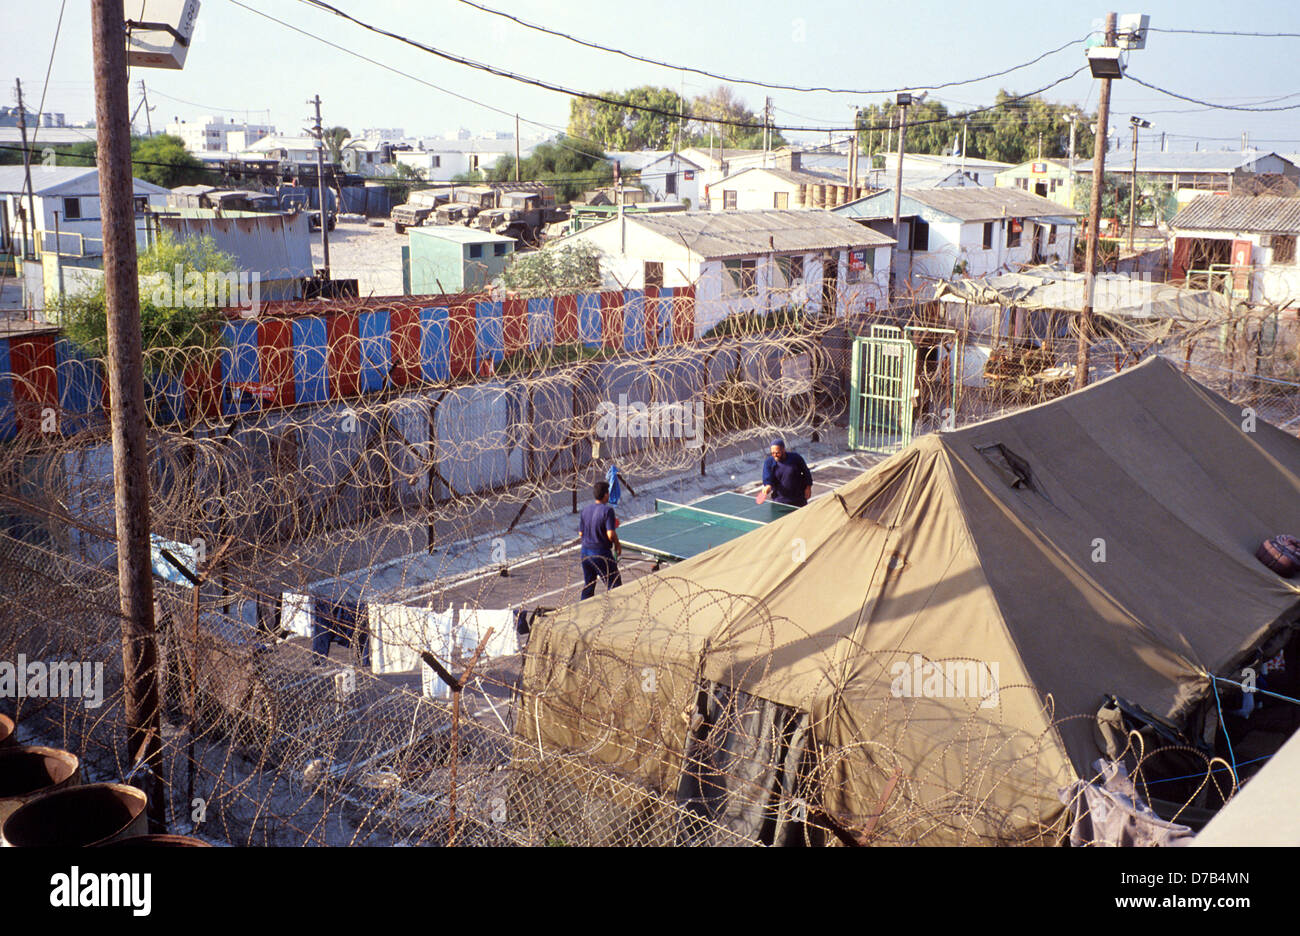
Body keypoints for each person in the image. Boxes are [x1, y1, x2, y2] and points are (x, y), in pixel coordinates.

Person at [578, 480, 623, 600]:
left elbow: (581, 533)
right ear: (605, 494)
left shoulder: (585, 510)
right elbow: (610, 534)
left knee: (589, 585)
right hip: (601, 553)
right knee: (614, 584)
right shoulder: (608, 511)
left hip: (585, 553)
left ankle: (584, 609)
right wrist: (617, 545)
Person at [761, 438, 813, 507]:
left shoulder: (795, 458)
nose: (775, 455)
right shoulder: (769, 462)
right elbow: (767, 477)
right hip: (780, 501)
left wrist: (808, 488)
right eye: (772, 453)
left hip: (799, 499)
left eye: (777, 453)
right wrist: (768, 485)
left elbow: (806, 473)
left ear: (783, 450)